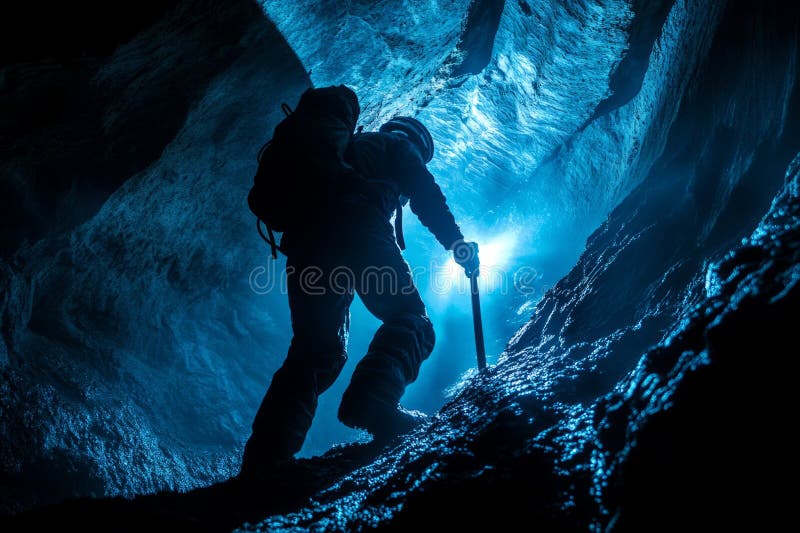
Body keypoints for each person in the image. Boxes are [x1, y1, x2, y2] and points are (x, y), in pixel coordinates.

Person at [240, 106, 479, 478]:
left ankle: (265, 461)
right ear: (416, 141)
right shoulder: (399, 144)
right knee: (410, 318)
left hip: (306, 242)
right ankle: (374, 401)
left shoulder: (347, 148)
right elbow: (425, 194)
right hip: (359, 226)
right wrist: (458, 244)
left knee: (315, 351)